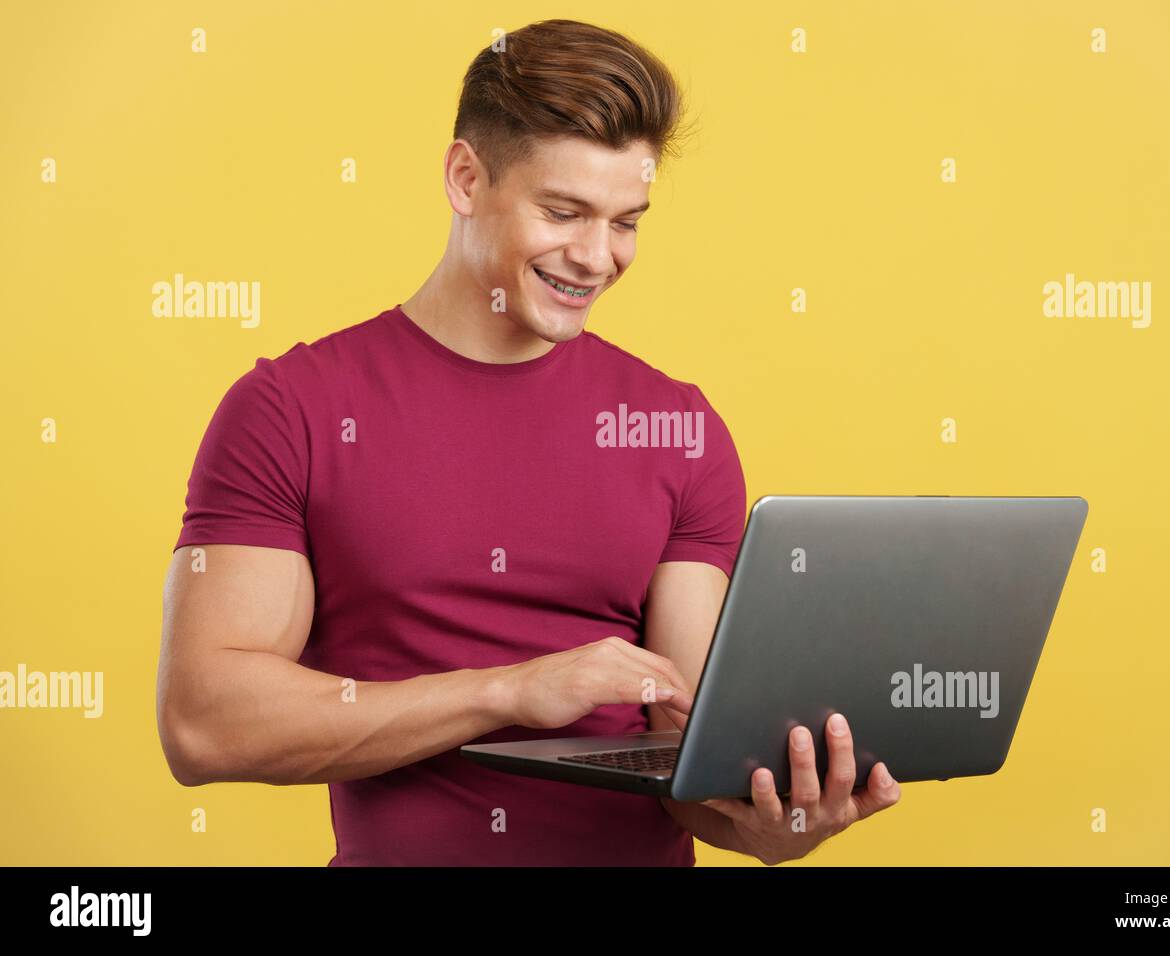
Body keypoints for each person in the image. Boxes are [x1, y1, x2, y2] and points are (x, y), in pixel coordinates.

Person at [157, 17, 899, 866]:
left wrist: (776, 825)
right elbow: (203, 724)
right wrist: (511, 690)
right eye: (564, 212)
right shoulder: (290, 410)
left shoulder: (679, 430)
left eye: (626, 221)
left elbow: (688, 757)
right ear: (466, 178)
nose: (596, 257)